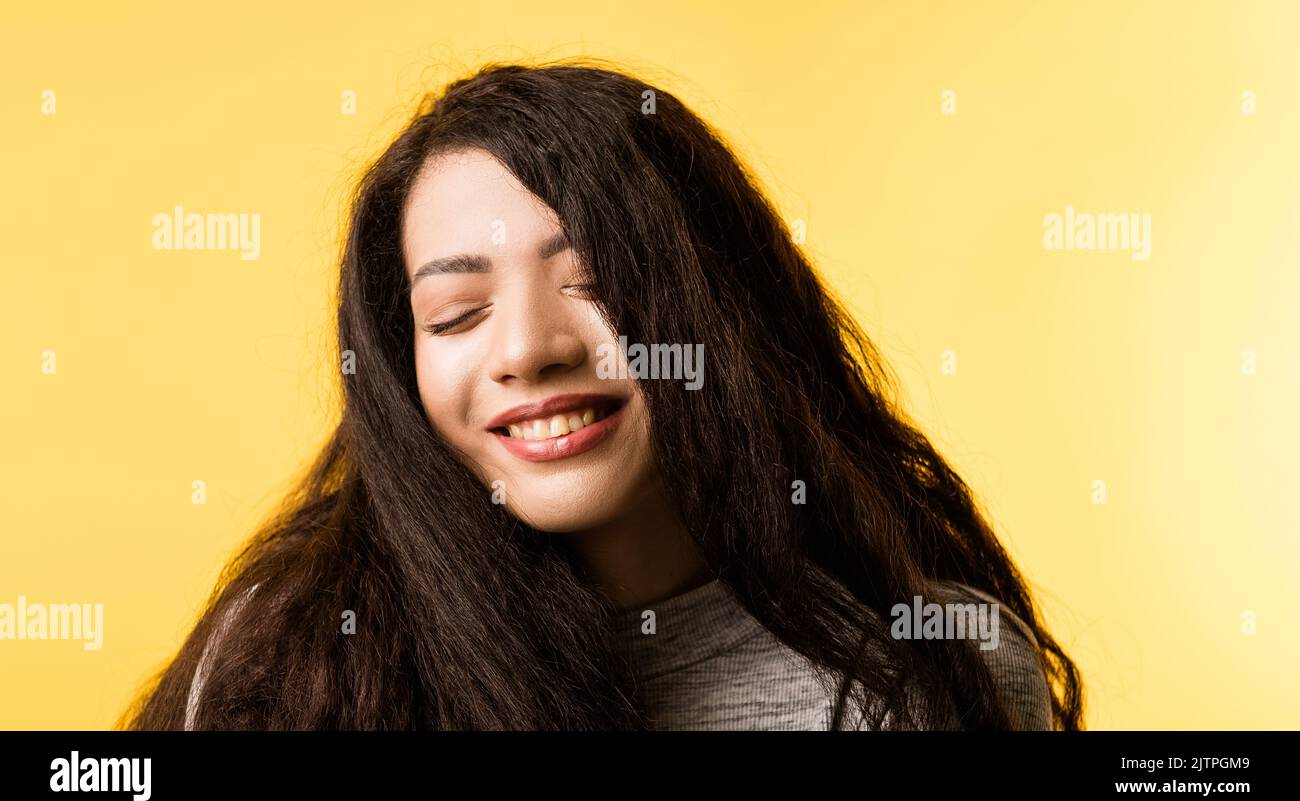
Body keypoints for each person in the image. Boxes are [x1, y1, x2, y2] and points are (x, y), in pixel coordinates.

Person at [121, 59, 1084, 731]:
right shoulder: (283, 659)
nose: (528, 350)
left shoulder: (932, 667)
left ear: (724, 308)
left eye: (597, 282)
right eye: (456, 313)